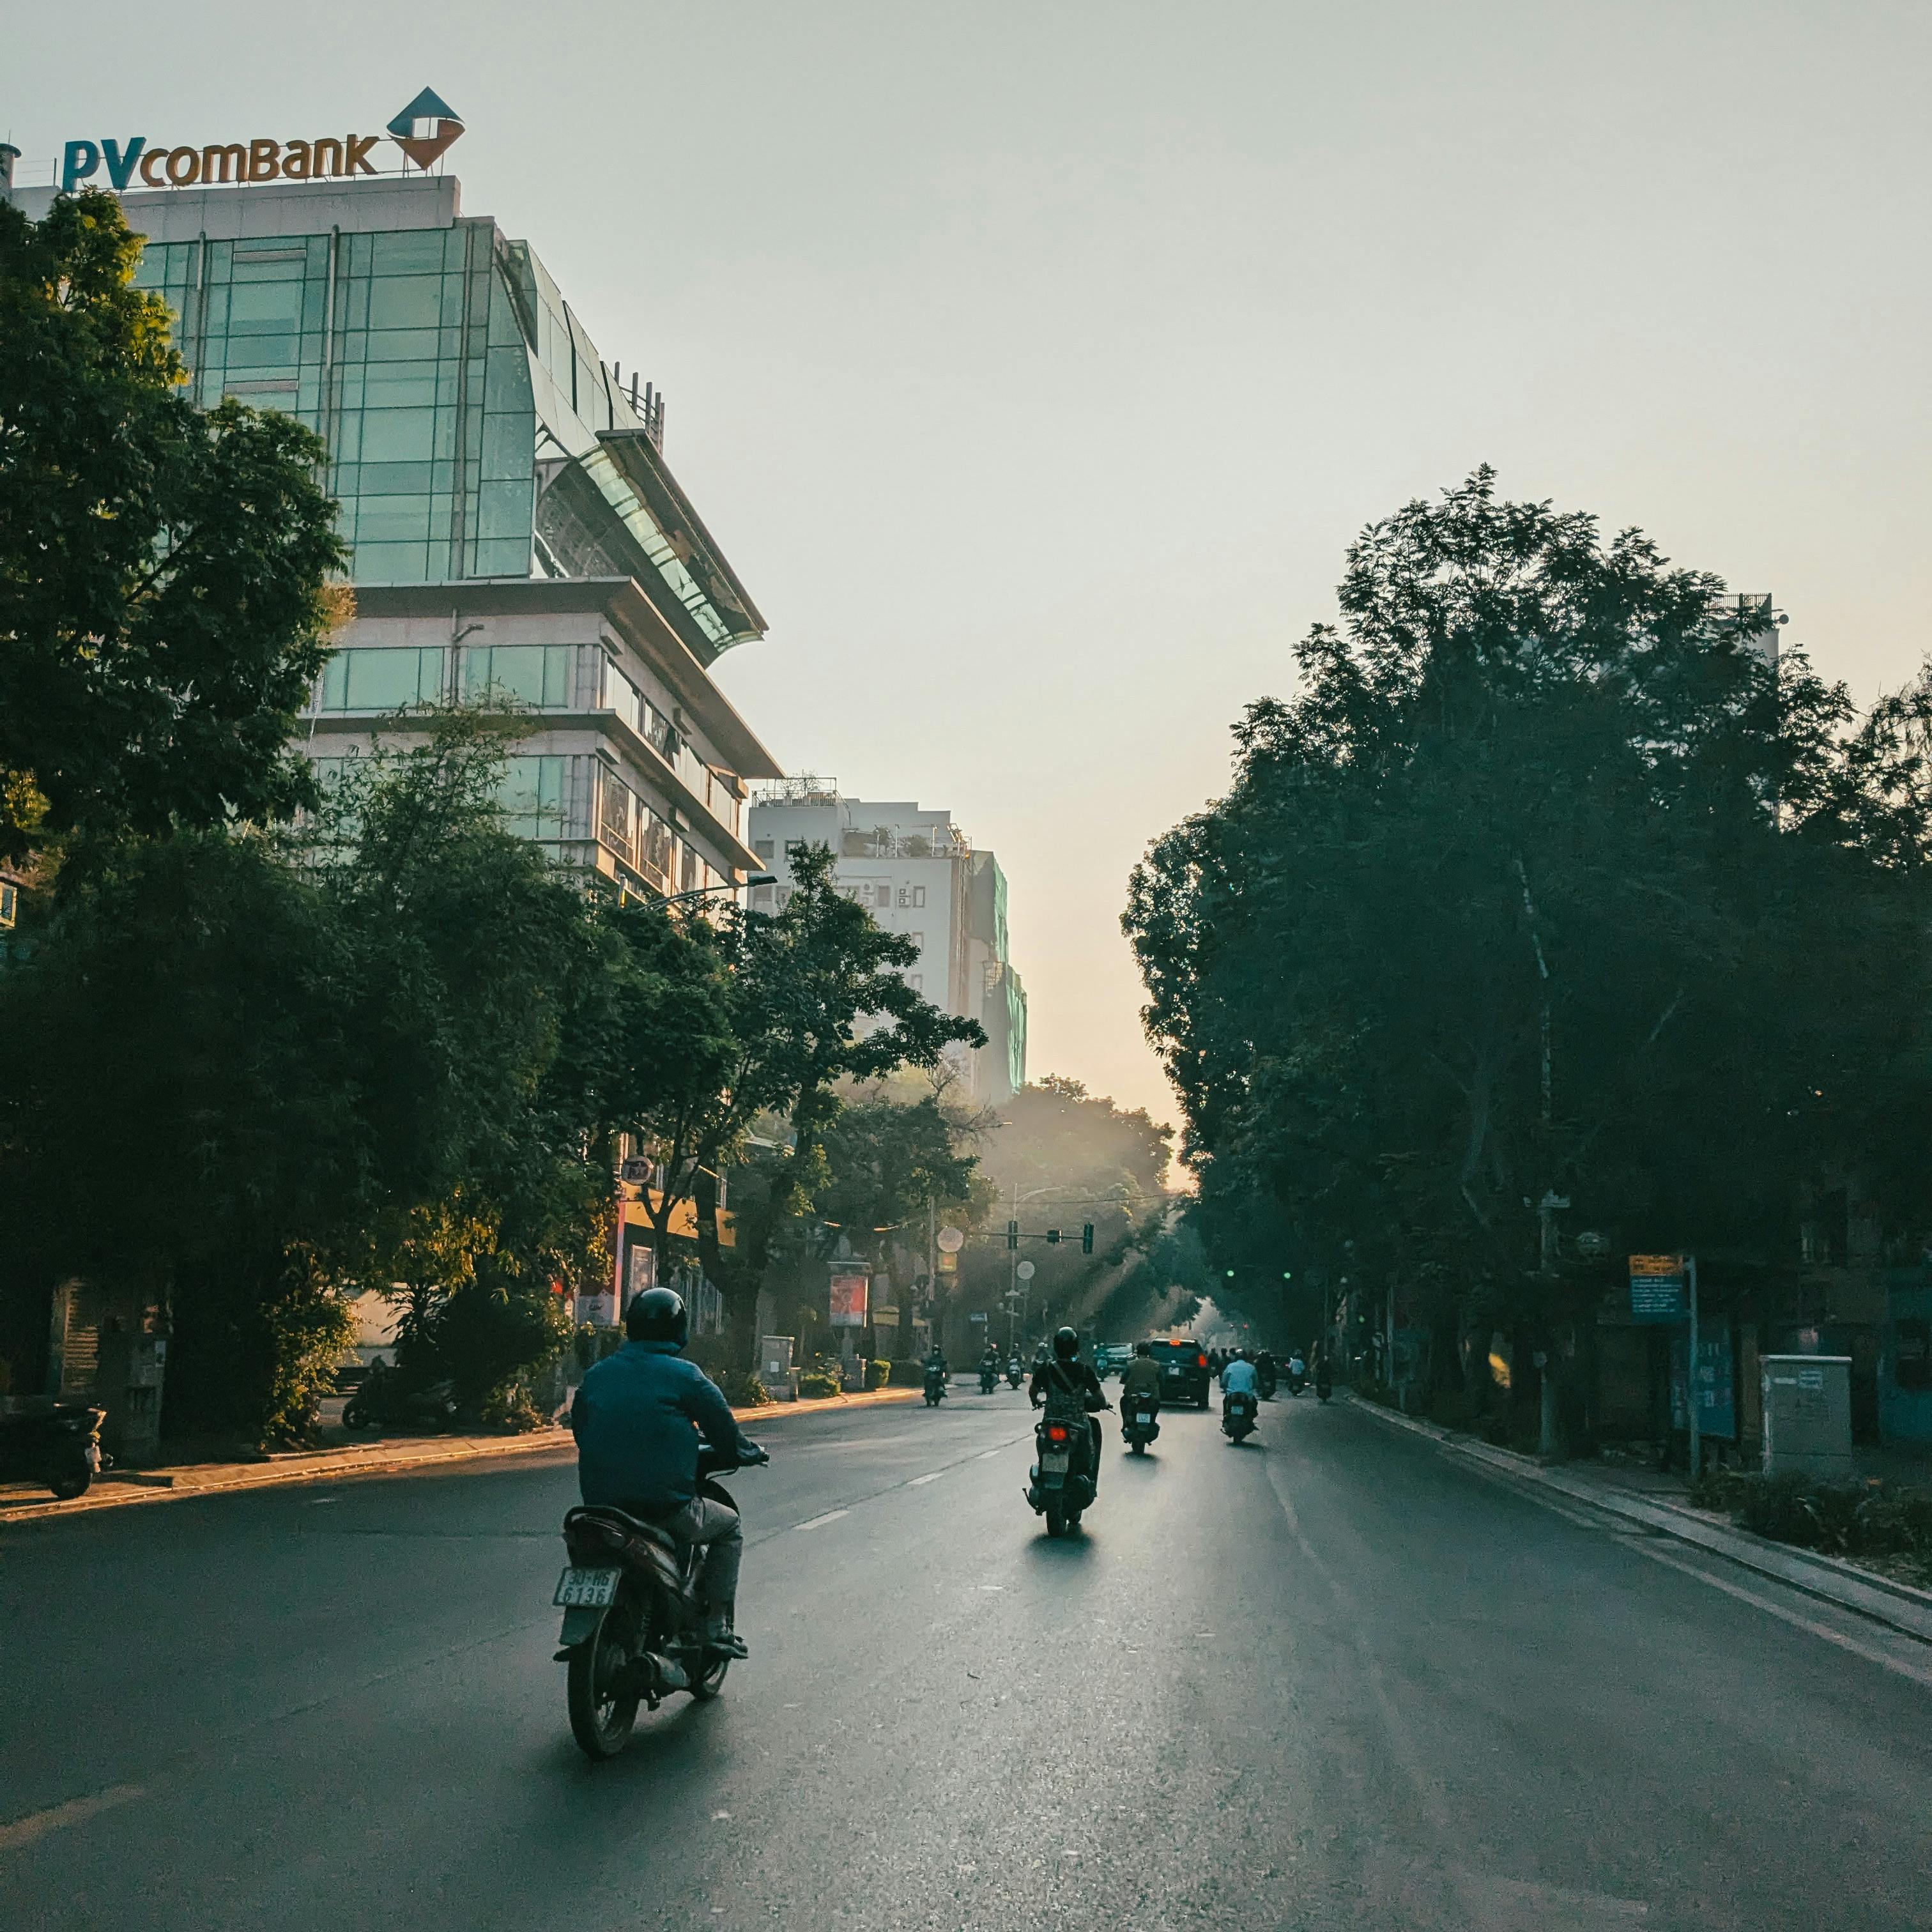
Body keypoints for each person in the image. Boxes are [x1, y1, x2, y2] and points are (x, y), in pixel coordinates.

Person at [570, 1287, 765, 1660]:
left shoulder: (597, 1375)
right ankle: (714, 1626)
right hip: (665, 1507)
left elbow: (582, 1432)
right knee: (729, 1528)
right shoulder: (685, 1376)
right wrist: (748, 1453)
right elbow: (725, 1433)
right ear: (680, 1328)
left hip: (600, 1507)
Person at [1030, 1326, 1110, 1487]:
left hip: (1051, 1421)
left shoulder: (1048, 1368)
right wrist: (1104, 1405)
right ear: (1075, 1347)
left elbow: (1033, 1391)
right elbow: (1099, 1397)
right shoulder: (1083, 1369)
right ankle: (1087, 1479)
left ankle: (1043, 1470)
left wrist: (1036, 1401)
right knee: (1089, 1452)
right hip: (1078, 1424)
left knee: (1042, 1444)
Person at [1118, 1340, 1162, 1434]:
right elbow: (1162, 1381)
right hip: (1152, 1398)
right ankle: (1152, 1421)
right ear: (1149, 1353)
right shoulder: (1157, 1366)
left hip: (1133, 1397)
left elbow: (1123, 1380)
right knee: (1156, 1405)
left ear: (1137, 1352)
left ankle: (1125, 1423)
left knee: (1123, 1401)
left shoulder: (1131, 1364)